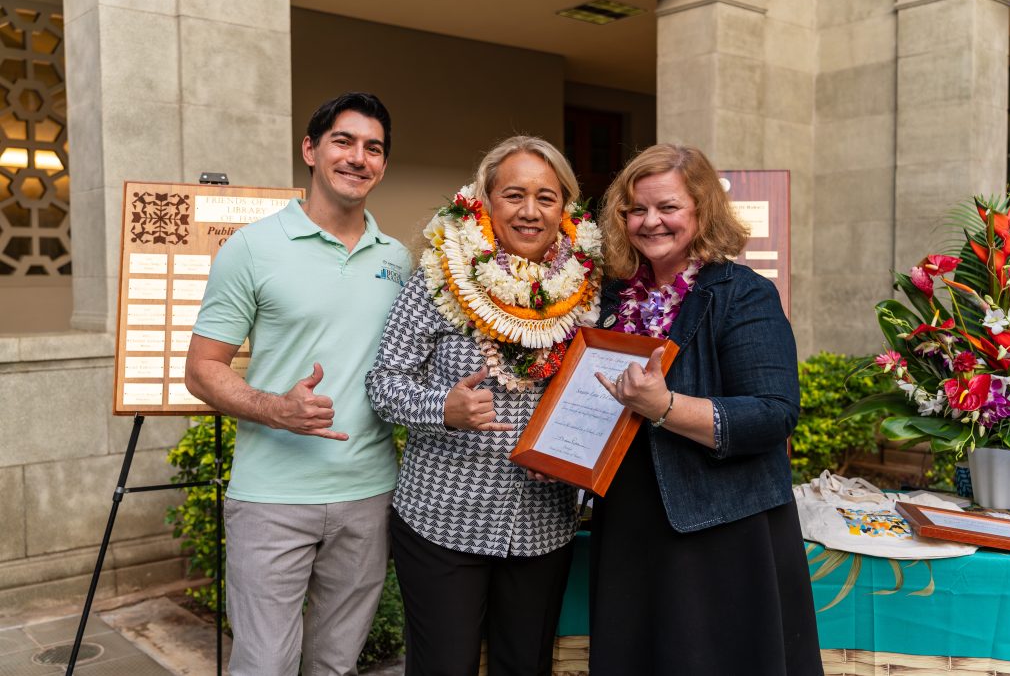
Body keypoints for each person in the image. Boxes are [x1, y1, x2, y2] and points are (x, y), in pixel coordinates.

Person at [184, 92, 410, 676]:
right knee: (264, 666)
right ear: (310, 150)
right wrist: (274, 408)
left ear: (383, 165)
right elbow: (202, 369)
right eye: (343, 141)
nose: (358, 158)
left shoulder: (400, 261)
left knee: (335, 667)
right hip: (272, 499)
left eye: (374, 148)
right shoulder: (251, 249)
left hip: (369, 493)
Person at [365, 135, 603, 676]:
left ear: (565, 208)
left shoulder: (588, 292)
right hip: (442, 522)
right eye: (513, 194)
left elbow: (599, 398)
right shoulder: (439, 280)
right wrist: (440, 409)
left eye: (547, 197)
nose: (530, 211)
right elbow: (383, 384)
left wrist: (577, 462)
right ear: (485, 200)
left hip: (543, 526)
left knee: (525, 667)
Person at [588, 144, 823, 675]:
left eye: (667, 207)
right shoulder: (609, 298)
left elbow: (773, 412)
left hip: (720, 526)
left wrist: (664, 406)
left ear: (702, 211)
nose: (650, 222)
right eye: (635, 209)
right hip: (630, 518)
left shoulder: (743, 295)